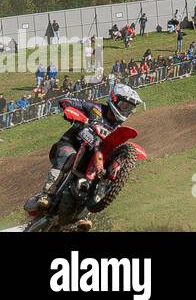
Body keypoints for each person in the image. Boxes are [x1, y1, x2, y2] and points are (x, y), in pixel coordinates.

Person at [25, 81, 144, 220]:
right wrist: (70, 110)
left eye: (130, 108)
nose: (126, 110)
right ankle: (47, 193)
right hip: (71, 144)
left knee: (102, 173)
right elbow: (66, 100)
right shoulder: (95, 108)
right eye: (124, 105)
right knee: (68, 156)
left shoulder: (118, 130)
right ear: (114, 99)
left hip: (94, 159)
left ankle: (85, 211)